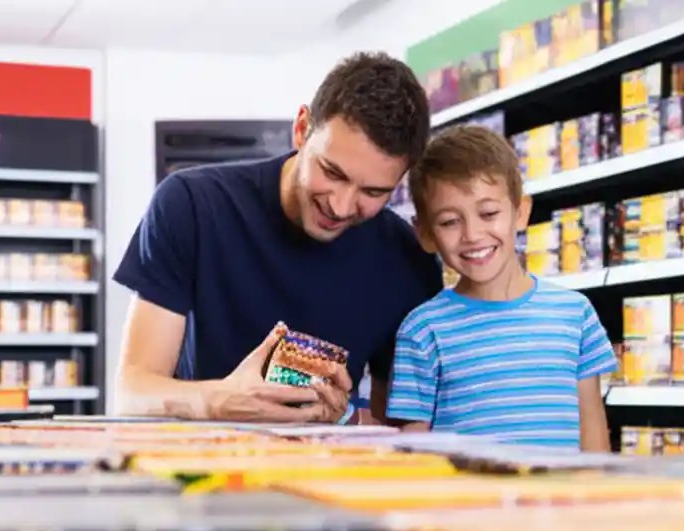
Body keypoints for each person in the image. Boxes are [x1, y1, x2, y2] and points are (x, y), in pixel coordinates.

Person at [113, 52, 443, 423]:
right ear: (302, 129)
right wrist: (218, 400)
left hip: (331, 476)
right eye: (332, 172)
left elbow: (397, 429)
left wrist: (344, 418)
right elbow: (132, 391)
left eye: (372, 192)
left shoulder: (406, 259)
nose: (340, 205)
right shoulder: (192, 205)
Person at [386, 125, 616, 450]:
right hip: (468, 502)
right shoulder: (422, 331)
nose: (473, 235)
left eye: (489, 213)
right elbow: (413, 451)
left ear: (520, 212)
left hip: (563, 500)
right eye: (450, 221)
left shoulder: (576, 315)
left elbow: (593, 439)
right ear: (424, 234)